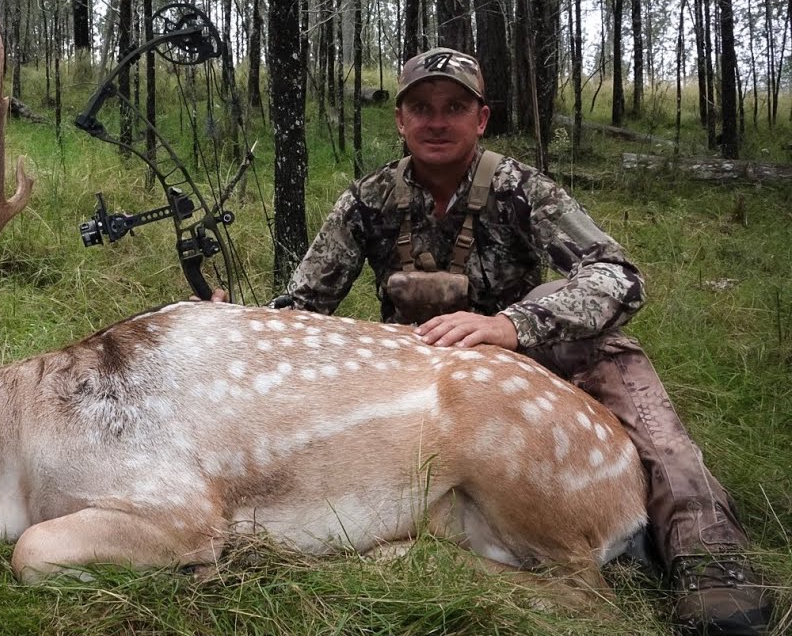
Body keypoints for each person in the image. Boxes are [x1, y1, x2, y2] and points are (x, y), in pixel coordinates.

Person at [272, 47, 774, 636]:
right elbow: (300, 313)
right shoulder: (367, 200)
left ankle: (707, 551)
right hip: (419, 370)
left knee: (621, 366)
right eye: (422, 107)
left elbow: (618, 275)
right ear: (400, 120)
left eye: (455, 107)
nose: (438, 121)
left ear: (481, 119)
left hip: (526, 358)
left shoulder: (521, 189)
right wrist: (235, 326)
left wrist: (512, 326)